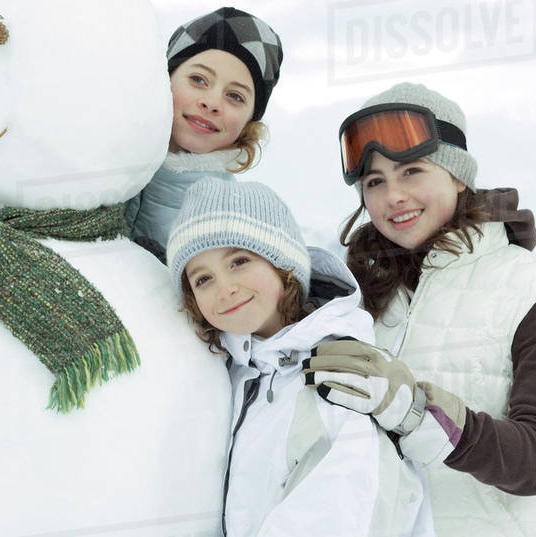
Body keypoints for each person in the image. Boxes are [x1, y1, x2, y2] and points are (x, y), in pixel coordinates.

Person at [305, 83, 536, 537]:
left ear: (458, 175)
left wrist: (422, 415)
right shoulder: (356, 296)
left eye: (411, 171)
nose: (393, 196)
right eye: (375, 182)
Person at [167, 177, 435, 537]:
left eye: (239, 261)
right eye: (203, 279)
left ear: (284, 265)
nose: (225, 288)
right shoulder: (238, 370)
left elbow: (335, 515)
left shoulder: (338, 378)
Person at [125, 6, 348, 280]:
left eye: (235, 96)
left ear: (248, 123)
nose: (212, 102)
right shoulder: (107, 165)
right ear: (164, 80)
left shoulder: (240, 226)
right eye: (198, 79)